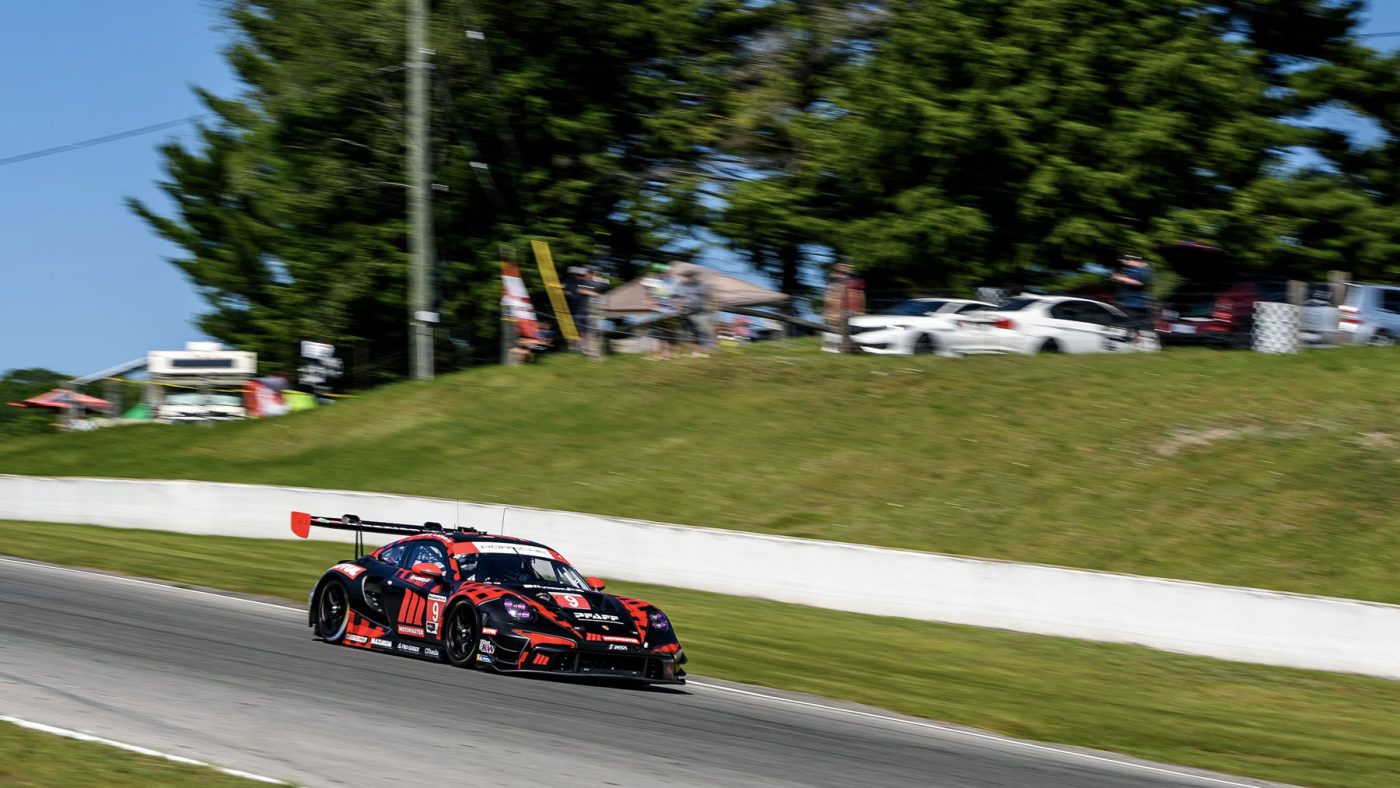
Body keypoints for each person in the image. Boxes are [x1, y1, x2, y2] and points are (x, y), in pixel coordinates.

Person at [672, 266, 715, 356]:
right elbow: (677, 299)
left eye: (691, 275)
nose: (690, 277)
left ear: (695, 276)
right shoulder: (680, 285)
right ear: (685, 276)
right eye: (688, 275)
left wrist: (708, 306)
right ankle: (678, 351)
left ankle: (696, 352)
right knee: (684, 331)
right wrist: (677, 309)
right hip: (684, 311)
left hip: (698, 311)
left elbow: (707, 296)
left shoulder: (701, 285)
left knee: (699, 331)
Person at [822, 262, 865, 352]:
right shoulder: (832, 279)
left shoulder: (856, 279)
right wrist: (829, 311)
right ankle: (831, 349)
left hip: (852, 310)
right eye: (842, 266)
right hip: (836, 311)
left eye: (847, 267)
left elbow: (860, 295)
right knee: (834, 330)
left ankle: (851, 349)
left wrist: (861, 310)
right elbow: (828, 295)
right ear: (837, 268)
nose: (845, 268)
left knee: (851, 332)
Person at [1112, 253, 1153, 345]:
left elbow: (1139, 283)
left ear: (1135, 260)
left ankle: (1129, 339)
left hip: (1137, 303)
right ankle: (1137, 341)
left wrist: (1121, 279)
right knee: (1133, 323)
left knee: (1132, 322)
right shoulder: (1133, 270)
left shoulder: (1143, 270)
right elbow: (1129, 279)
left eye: (1128, 260)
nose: (1126, 262)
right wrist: (1121, 278)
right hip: (1131, 302)